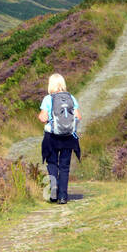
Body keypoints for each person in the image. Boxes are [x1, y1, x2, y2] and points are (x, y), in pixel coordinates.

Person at [38, 73, 81, 204]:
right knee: (64, 166)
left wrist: (41, 115)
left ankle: (53, 189)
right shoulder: (71, 98)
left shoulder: (48, 99)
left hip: (51, 137)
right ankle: (62, 196)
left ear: (50, 85)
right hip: (68, 137)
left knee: (52, 163)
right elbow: (78, 117)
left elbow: (43, 118)